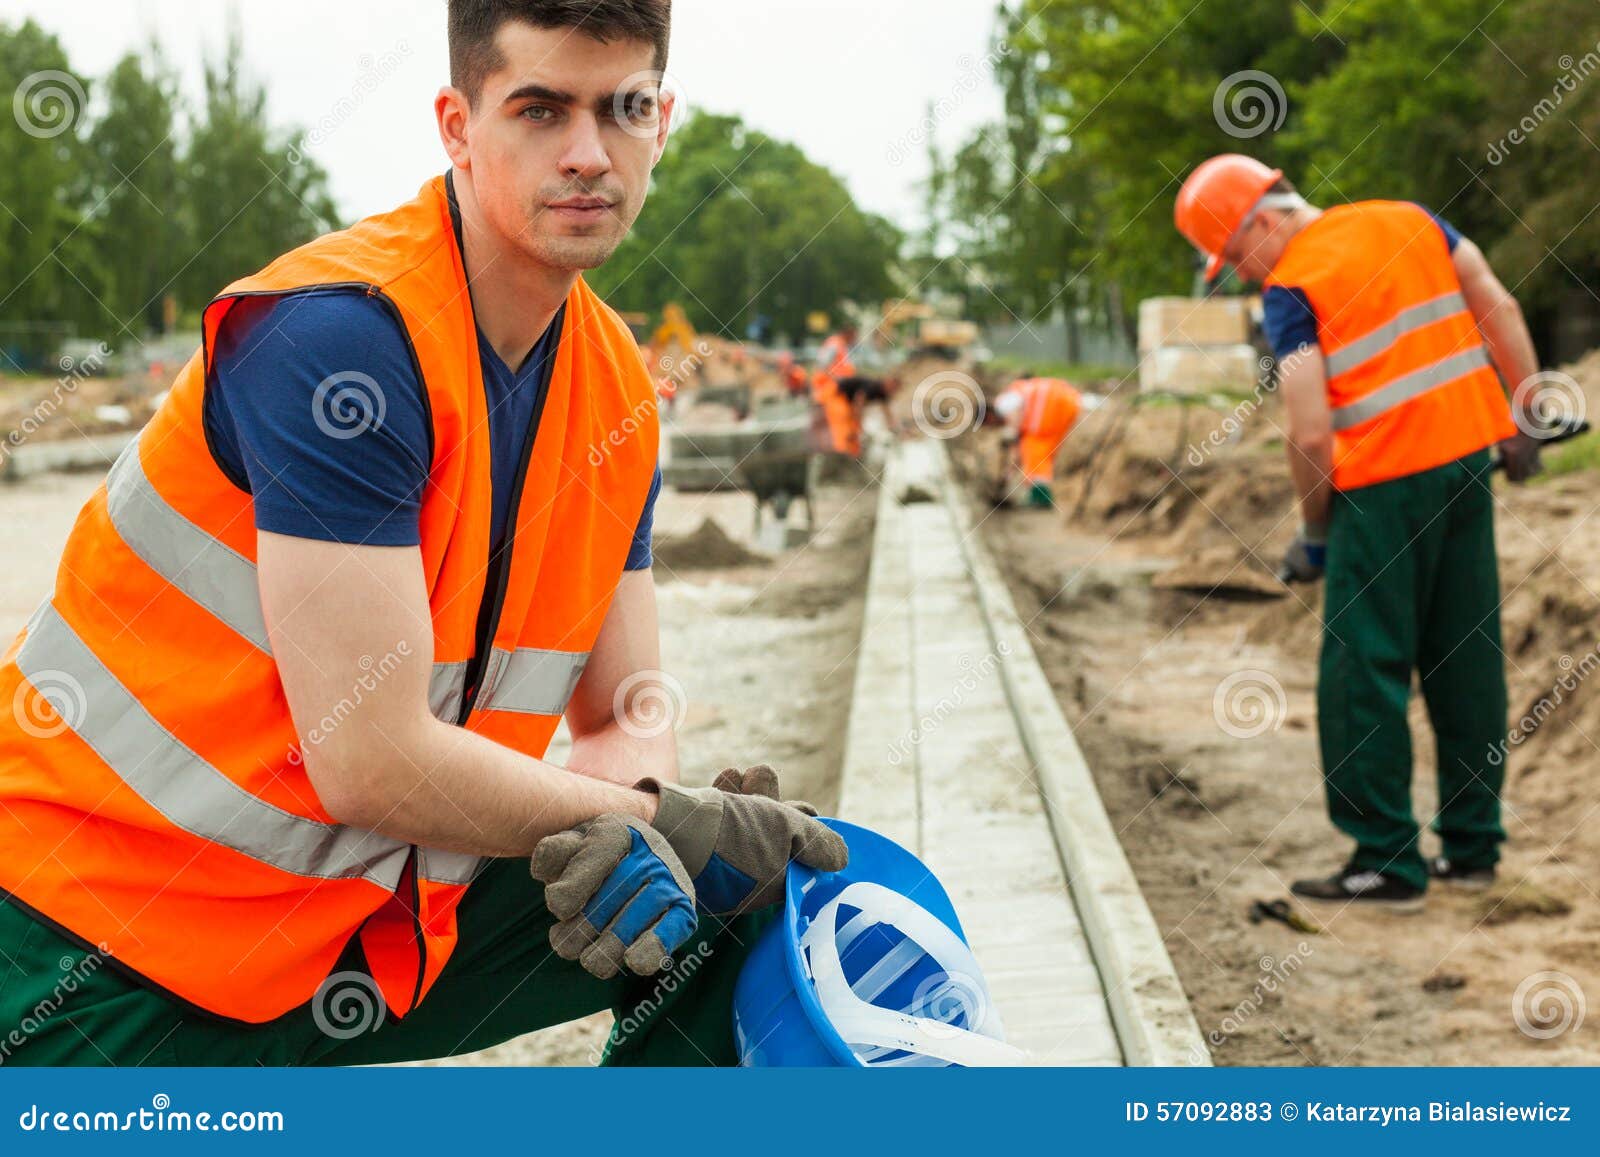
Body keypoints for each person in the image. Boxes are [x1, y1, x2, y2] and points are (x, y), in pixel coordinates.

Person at [0, 0, 844, 1067]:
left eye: (623, 109)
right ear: (456, 123)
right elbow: (369, 756)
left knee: (751, 891)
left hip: (357, 934)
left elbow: (627, 702)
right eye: (540, 109)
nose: (589, 154)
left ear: (662, 123)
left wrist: (643, 820)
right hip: (100, 950)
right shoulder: (337, 340)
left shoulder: (613, 384)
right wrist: (651, 815)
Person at [1174, 154, 1546, 910]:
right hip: (1466, 469)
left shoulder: (1292, 289)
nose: (1245, 276)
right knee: (1466, 658)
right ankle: (1473, 848)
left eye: (1238, 258)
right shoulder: (1415, 221)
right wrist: (1527, 413)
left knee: (1360, 673)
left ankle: (1386, 860)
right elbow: (1499, 310)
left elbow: (1309, 433)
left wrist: (1314, 531)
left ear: (1265, 223)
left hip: (1380, 492)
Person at [994, 372, 1082, 508]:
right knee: (1043, 454)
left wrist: (1012, 433)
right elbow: (1017, 456)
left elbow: (1014, 409)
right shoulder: (1024, 393)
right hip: (1069, 403)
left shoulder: (1001, 403)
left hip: (1052, 406)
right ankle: (1040, 495)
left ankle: (1041, 497)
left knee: (1034, 453)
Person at [811, 326, 863, 457]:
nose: (855, 339)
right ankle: (842, 455)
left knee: (850, 422)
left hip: (841, 392)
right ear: (848, 333)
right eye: (854, 336)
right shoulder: (834, 344)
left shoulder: (841, 346)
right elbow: (822, 365)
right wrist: (837, 380)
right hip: (833, 392)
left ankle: (850, 453)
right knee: (840, 423)